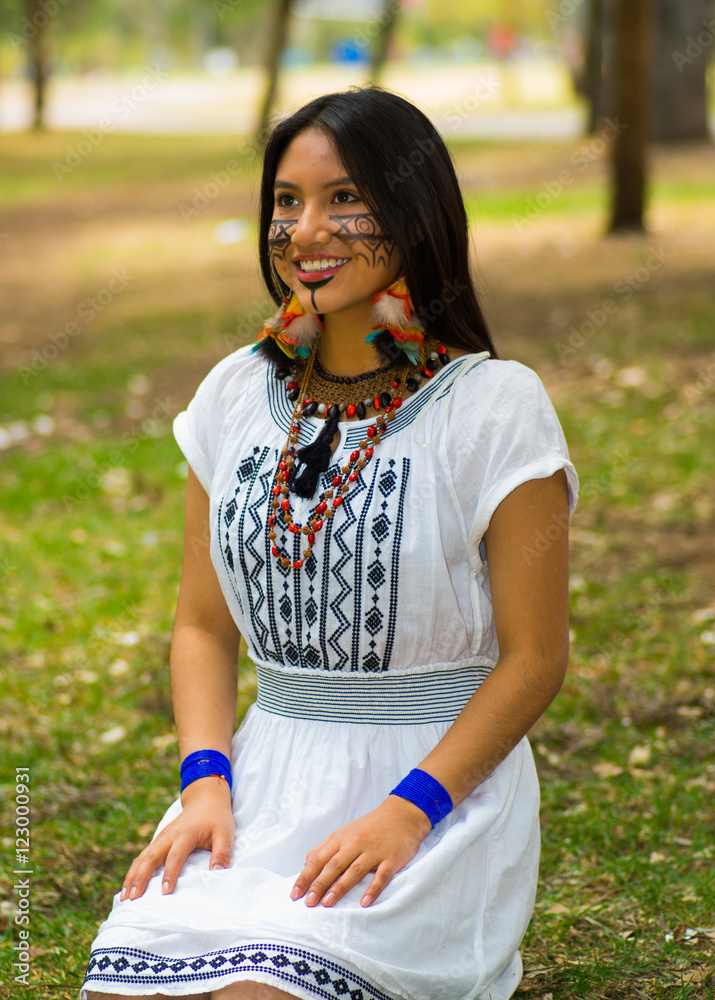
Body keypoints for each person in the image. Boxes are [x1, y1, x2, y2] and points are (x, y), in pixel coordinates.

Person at [81, 87, 578, 1000]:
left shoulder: (494, 405)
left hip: (434, 796)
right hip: (259, 781)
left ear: (415, 215)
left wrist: (405, 815)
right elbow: (200, 627)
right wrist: (204, 784)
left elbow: (536, 658)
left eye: (345, 198)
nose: (306, 230)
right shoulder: (234, 393)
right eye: (286, 201)